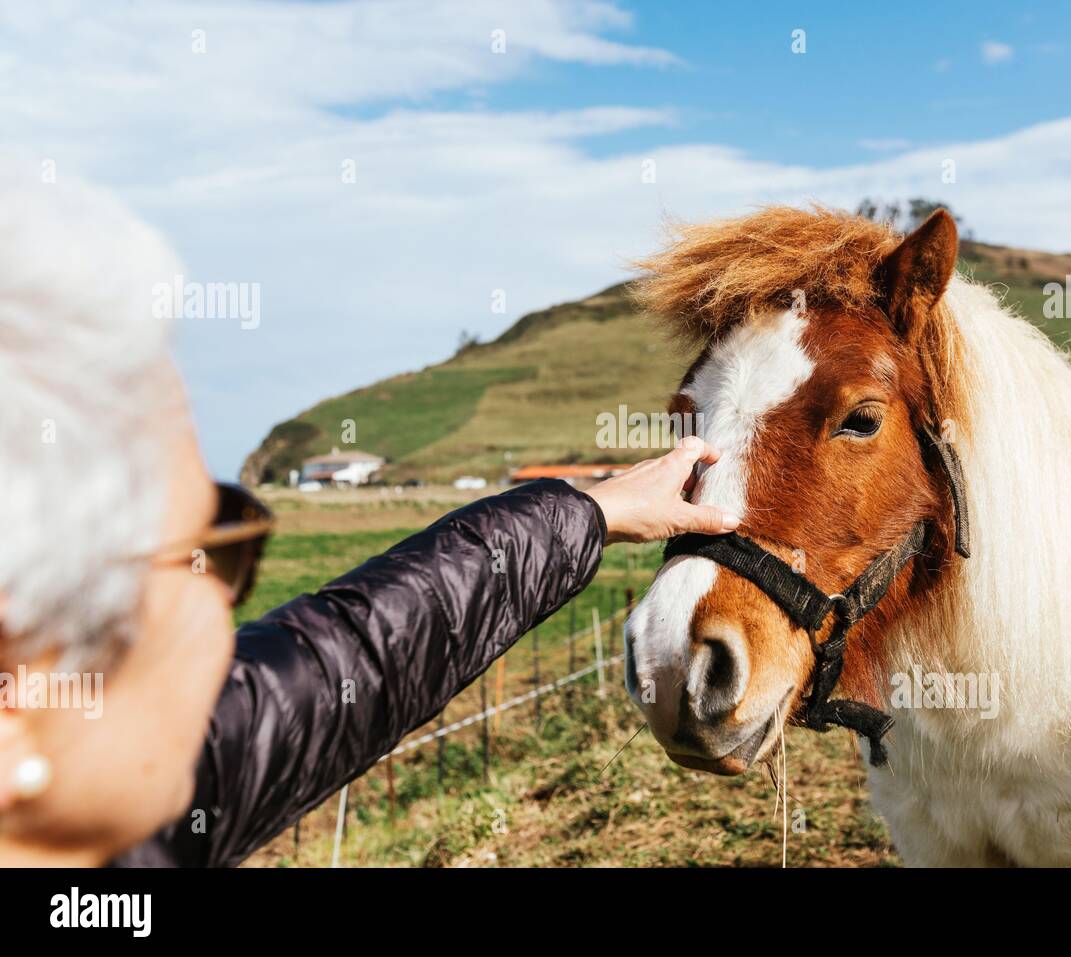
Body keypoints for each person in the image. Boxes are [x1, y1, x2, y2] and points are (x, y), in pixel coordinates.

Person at [0, 160, 737, 867]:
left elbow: (365, 651)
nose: (227, 607)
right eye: (210, 550)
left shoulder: (123, 786)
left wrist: (588, 511)